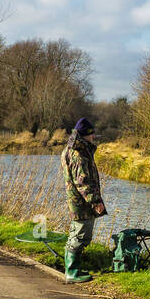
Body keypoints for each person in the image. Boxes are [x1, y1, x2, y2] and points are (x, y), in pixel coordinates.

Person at [61, 117, 106, 283]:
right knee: (80, 235)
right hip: (82, 202)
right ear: (85, 135)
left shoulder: (71, 149)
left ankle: (73, 269)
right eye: (92, 134)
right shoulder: (79, 154)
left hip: (76, 200)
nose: (94, 137)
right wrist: (96, 201)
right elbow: (83, 183)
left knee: (76, 233)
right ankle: (72, 272)